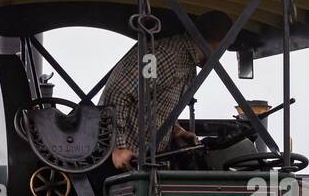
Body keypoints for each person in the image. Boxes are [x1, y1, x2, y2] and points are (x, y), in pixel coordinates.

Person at [98, 10, 235, 170]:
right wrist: (117, 148)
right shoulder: (166, 55)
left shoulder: (187, 63)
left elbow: (152, 104)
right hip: (122, 165)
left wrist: (176, 131)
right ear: (220, 43)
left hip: (145, 165)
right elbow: (116, 94)